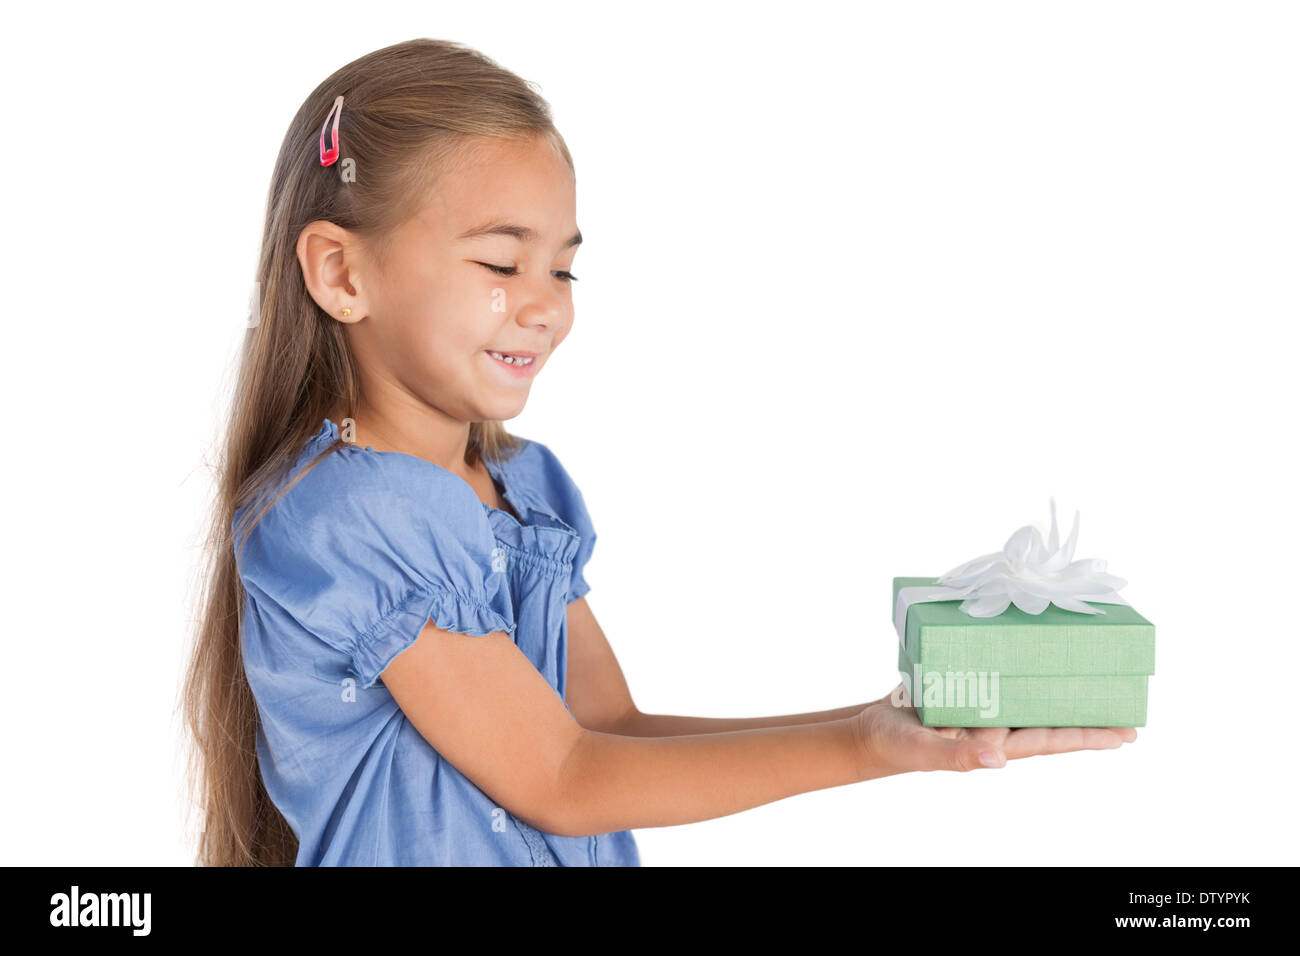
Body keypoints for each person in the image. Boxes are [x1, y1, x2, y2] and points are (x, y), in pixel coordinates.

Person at [182, 37, 1136, 867]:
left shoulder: (522, 490)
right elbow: (562, 777)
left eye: (563, 264)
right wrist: (867, 748)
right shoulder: (347, 518)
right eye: (500, 262)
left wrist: (879, 721)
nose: (548, 302)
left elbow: (608, 735)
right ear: (342, 273)